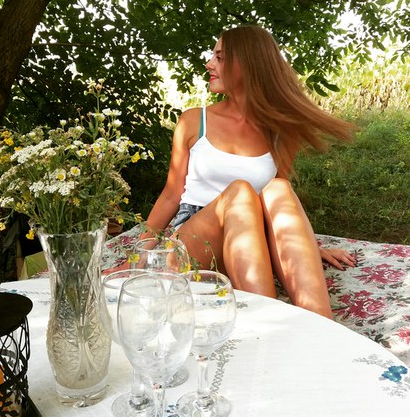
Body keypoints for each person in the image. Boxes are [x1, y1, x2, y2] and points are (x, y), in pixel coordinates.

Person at [141, 25, 357, 319]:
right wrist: (137, 253)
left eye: (220, 57)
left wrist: (307, 247)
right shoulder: (193, 121)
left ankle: (322, 326)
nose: (209, 64)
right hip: (196, 238)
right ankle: (266, 325)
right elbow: (171, 194)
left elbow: (279, 208)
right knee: (241, 192)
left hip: (249, 240)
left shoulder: (280, 131)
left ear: (248, 63)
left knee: (279, 188)